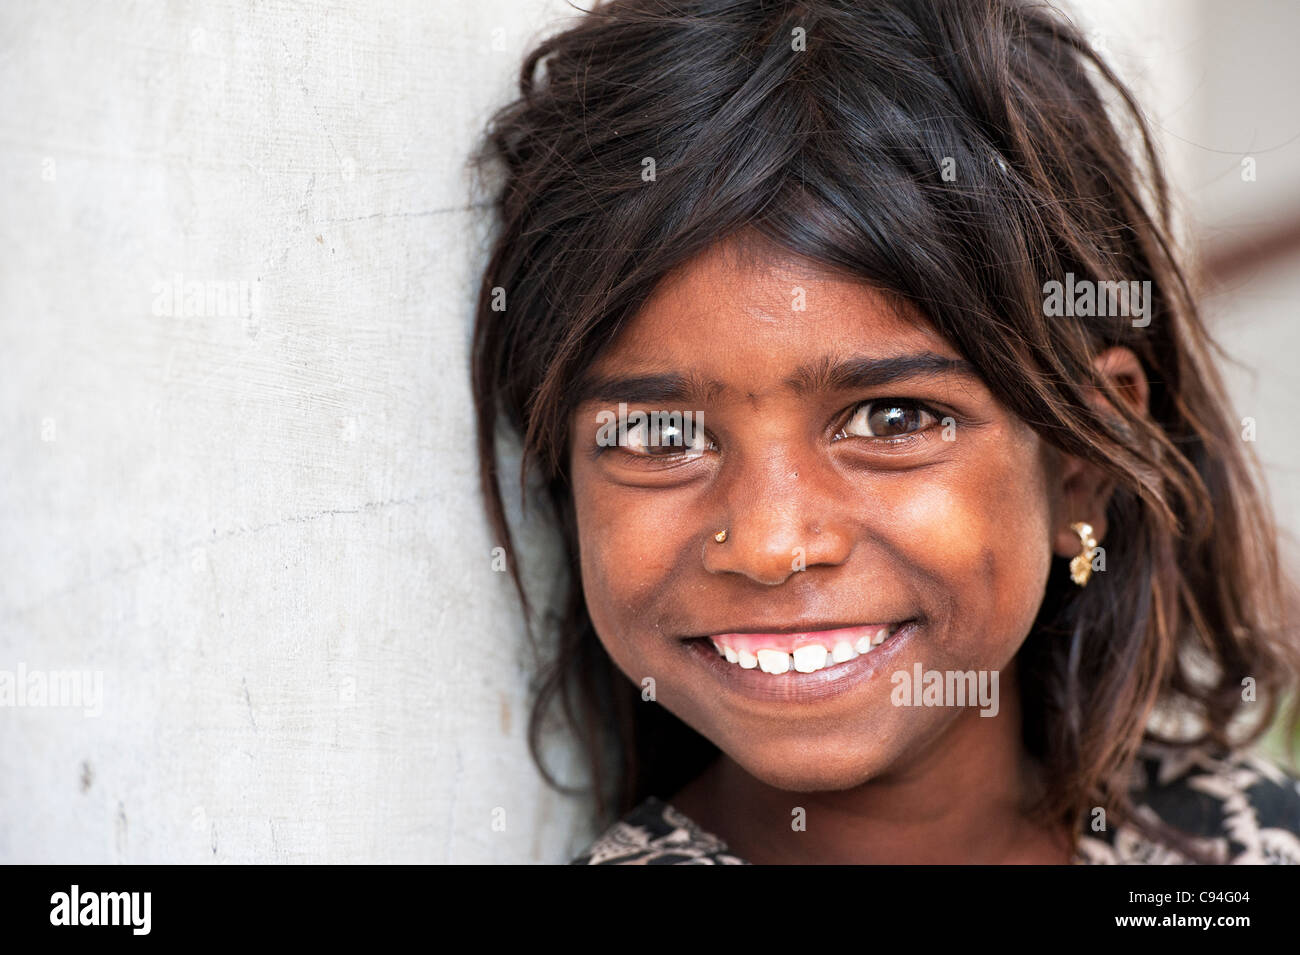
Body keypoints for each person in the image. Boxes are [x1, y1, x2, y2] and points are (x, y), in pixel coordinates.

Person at [469, 0, 1300, 864]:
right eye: (660, 434)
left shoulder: (1242, 839)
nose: (769, 542)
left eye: (891, 419)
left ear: (1082, 462)